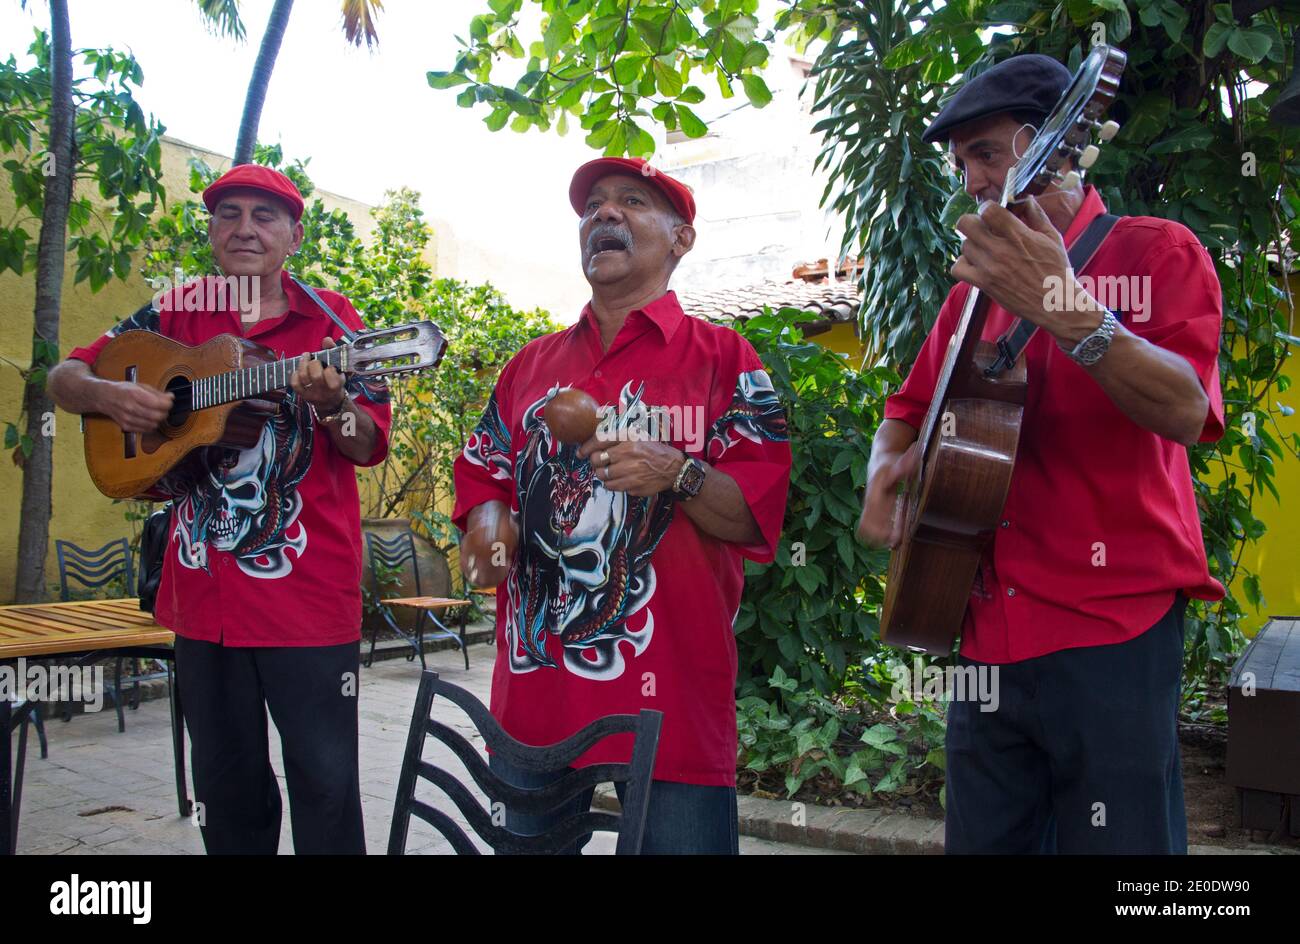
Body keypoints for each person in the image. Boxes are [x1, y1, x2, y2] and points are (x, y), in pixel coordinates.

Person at [856, 54, 1225, 854]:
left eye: (986, 154)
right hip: (983, 627)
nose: (971, 181)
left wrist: (1059, 303)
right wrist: (884, 470)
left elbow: (1187, 409)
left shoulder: (1156, 254)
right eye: (961, 165)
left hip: (1111, 626)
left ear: (1050, 145)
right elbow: (906, 412)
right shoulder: (967, 295)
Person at [47, 164, 391, 854]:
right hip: (201, 598)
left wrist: (334, 406)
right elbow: (65, 376)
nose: (244, 229)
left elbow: (367, 446)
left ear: (293, 234)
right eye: (227, 213)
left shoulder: (334, 320)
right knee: (226, 791)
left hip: (306, 600)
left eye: (264, 217)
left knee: (326, 789)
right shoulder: (175, 313)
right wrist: (111, 398)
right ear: (211, 231)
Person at [452, 157, 792, 854]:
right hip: (537, 693)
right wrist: (487, 526)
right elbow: (484, 472)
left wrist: (678, 472)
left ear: (680, 239)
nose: (603, 214)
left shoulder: (727, 361)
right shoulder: (529, 368)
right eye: (593, 206)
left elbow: (756, 515)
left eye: (631, 201)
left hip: (672, 697)